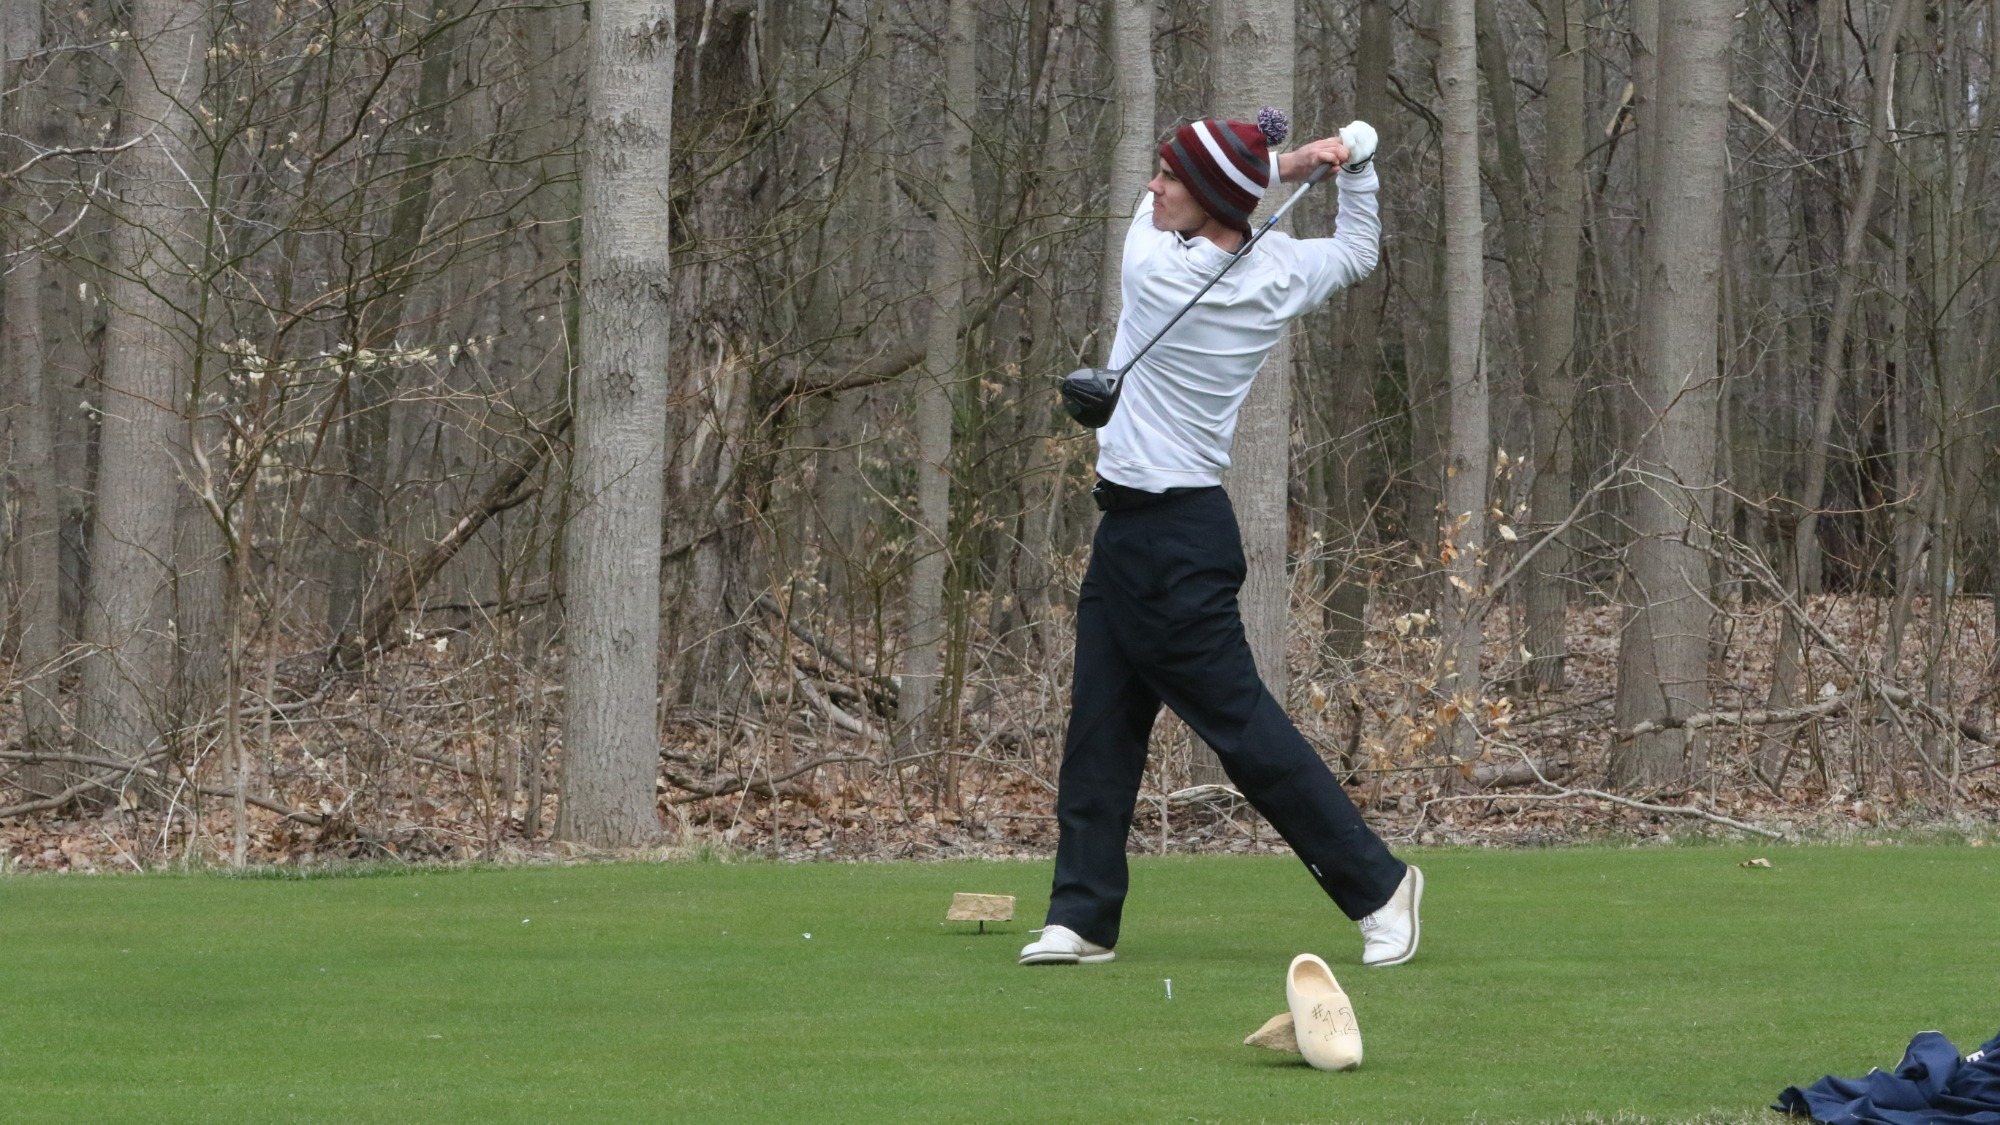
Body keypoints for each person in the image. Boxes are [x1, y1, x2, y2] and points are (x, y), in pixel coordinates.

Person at [1019, 110, 1422, 968]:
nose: (1154, 186)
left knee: (1243, 732)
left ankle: (1380, 886)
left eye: (1170, 176)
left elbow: (1184, 200)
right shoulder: (1280, 272)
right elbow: (1356, 252)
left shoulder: (1152, 266)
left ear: (1205, 196)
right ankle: (1082, 914)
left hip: (1171, 542)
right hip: (1143, 532)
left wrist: (1286, 163)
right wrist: (1352, 168)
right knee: (1100, 727)